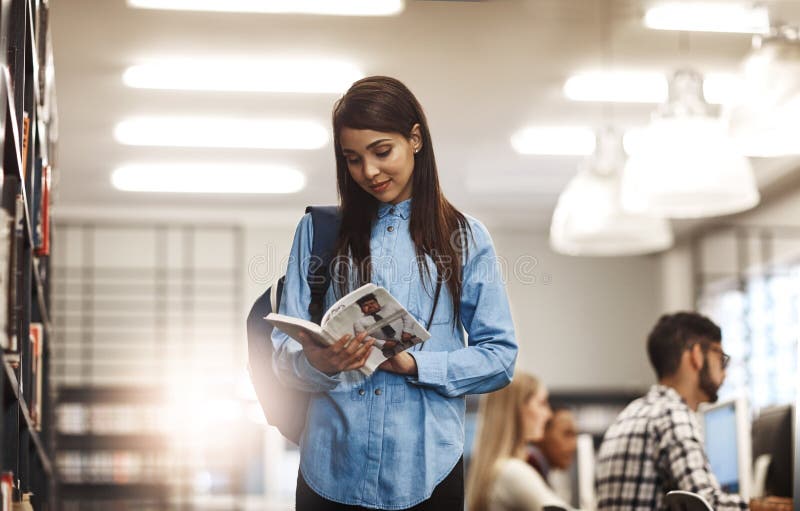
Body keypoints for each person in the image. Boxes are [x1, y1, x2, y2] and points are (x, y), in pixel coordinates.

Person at [271, 76, 518, 510]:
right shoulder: (317, 232)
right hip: (330, 472)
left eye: (382, 151)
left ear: (415, 139)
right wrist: (317, 362)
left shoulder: (465, 238)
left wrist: (414, 364)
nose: (368, 171)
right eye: (352, 159)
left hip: (428, 472)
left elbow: (500, 357)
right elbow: (281, 359)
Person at [595, 312, 748, 511]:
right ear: (696, 356)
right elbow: (709, 505)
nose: (725, 372)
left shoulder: (627, 415)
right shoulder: (673, 414)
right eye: (720, 357)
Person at [467, 373, 574, 511]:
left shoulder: (500, 469)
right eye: (541, 403)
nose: (548, 414)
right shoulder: (510, 471)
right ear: (518, 409)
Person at [353, 292, 420, 358]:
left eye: (372, 303)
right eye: (365, 305)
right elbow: (362, 337)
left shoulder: (390, 306)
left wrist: (408, 331)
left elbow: (407, 316)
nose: (370, 306)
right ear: (361, 309)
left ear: (378, 303)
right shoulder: (359, 322)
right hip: (392, 350)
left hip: (411, 340)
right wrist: (382, 343)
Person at [528, 406, 579, 481]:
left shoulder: (540, 472)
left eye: (575, 435)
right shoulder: (529, 467)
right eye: (567, 434)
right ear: (543, 432)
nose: (574, 445)